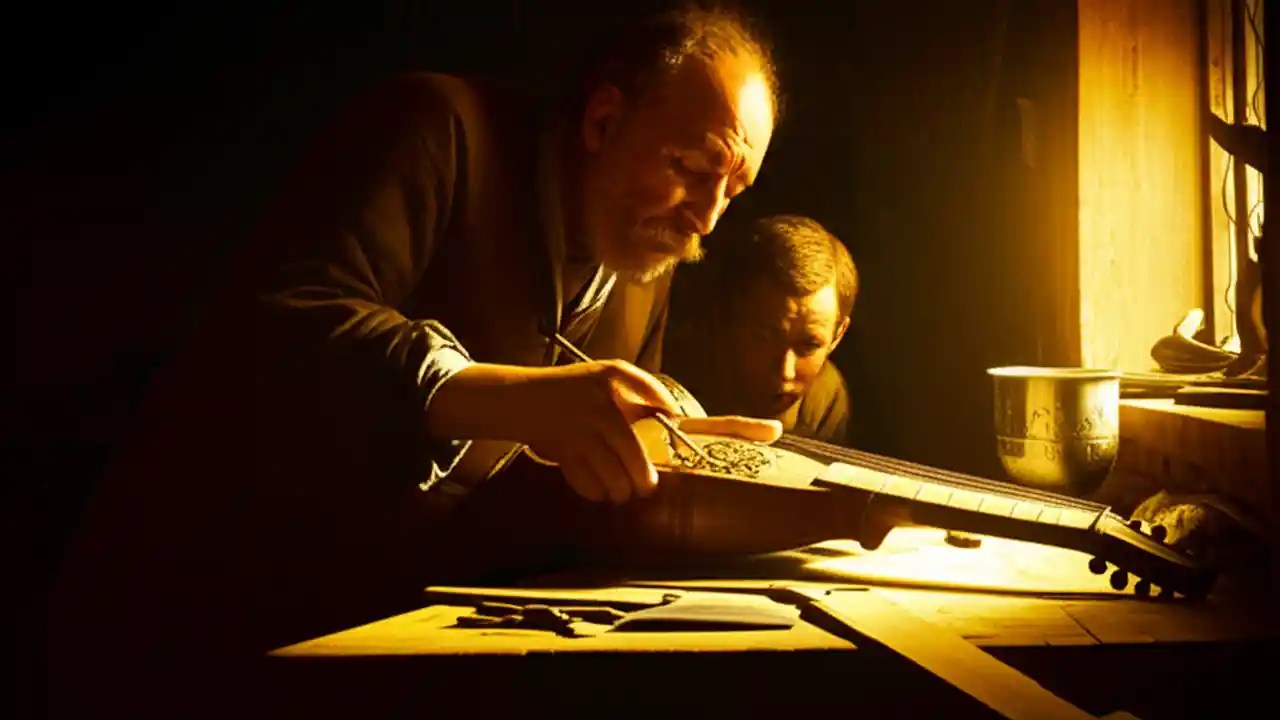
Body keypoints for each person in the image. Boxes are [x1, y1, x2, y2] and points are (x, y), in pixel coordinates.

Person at [44, 5, 791, 716]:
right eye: (694, 166)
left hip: (387, 654)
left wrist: (667, 453)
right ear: (603, 120)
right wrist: (508, 399)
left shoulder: (641, 267)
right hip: (197, 627)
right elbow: (279, 326)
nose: (707, 219)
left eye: (733, 188)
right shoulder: (437, 128)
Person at [663, 214, 859, 445]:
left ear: (837, 335)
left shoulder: (826, 400)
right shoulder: (671, 371)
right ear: (730, 315)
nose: (786, 371)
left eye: (809, 345)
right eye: (765, 336)